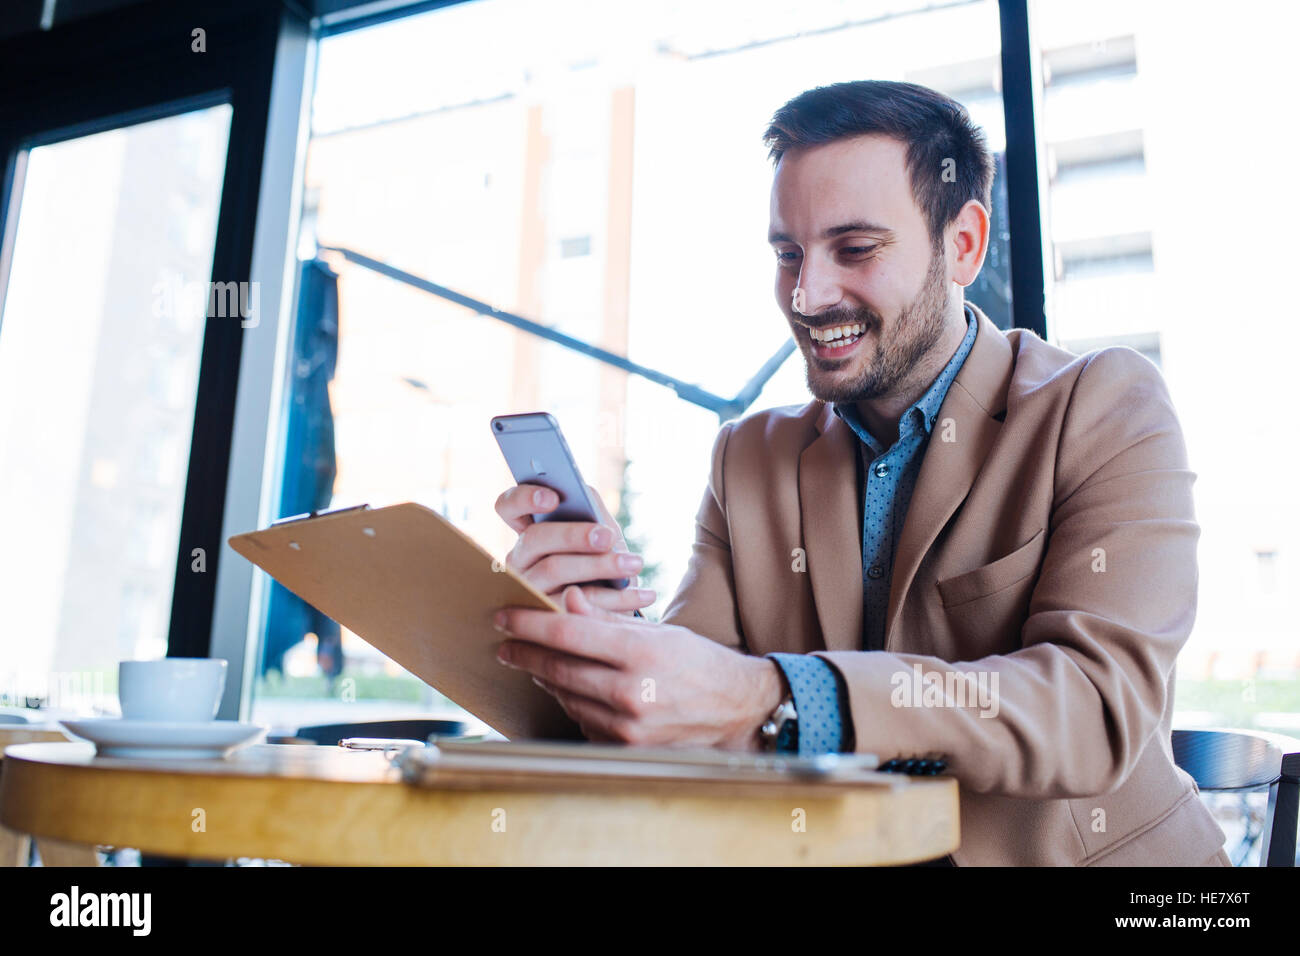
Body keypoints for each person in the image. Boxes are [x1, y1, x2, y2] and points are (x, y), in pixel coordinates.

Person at [491, 80, 1230, 867]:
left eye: (855, 249)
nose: (807, 294)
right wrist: (595, 633)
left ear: (964, 245)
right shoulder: (747, 460)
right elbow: (685, 714)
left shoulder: (1105, 405)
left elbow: (1092, 710)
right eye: (788, 254)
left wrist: (776, 700)